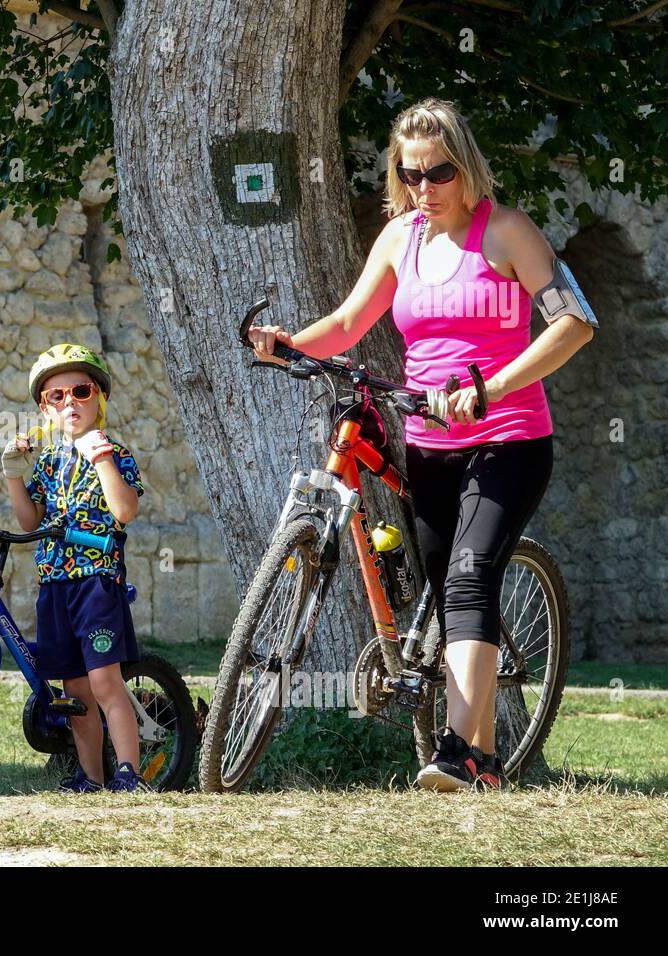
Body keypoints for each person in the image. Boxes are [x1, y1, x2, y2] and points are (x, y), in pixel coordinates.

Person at [248, 98, 595, 791]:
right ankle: (487, 763)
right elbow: (349, 321)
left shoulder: (507, 232)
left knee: (468, 574)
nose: (423, 188)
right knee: (449, 585)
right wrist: (290, 344)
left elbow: (573, 325)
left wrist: (490, 388)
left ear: (465, 169)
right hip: (429, 443)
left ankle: (456, 748)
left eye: (438, 173)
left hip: (509, 437)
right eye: (409, 175)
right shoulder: (399, 239)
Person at [0, 344, 147, 792]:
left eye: (79, 391)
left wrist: (100, 456)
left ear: (97, 398)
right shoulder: (48, 462)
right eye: (55, 396)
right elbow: (31, 521)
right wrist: (11, 476)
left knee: (105, 682)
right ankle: (92, 777)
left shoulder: (114, 452)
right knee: (75, 692)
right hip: (55, 584)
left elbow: (124, 510)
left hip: (97, 584)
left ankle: (128, 773)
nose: (69, 403)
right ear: (45, 408)